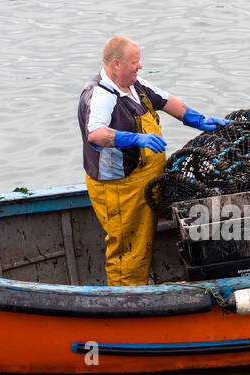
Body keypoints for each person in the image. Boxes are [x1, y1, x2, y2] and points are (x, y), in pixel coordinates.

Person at [78, 36, 229, 286]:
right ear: (116, 64)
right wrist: (136, 139)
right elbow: (95, 133)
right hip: (120, 189)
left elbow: (167, 101)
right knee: (127, 251)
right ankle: (125, 302)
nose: (140, 67)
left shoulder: (135, 86)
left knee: (143, 243)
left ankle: (140, 290)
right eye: (135, 62)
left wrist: (199, 120)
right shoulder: (100, 95)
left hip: (147, 180)